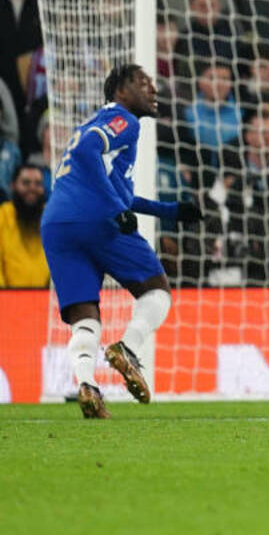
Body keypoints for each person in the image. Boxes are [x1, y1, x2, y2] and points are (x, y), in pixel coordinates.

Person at [40, 64, 201, 418]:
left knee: (84, 315)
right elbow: (88, 153)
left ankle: (87, 385)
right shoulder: (122, 119)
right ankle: (127, 349)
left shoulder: (99, 127)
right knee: (156, 290)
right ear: (122, 92)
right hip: (96, 219)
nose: (153, 89)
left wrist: (169, 211)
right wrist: (115, 210)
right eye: (143, 83)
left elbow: (117, 191)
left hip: (57, 224)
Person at [0, 163, 48, 286]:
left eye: (38, 184)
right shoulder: (2, 216)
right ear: (13, 186)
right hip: (7, 298)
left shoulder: (49, 219)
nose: (32, 188)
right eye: (26, 183)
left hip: (46, 298)